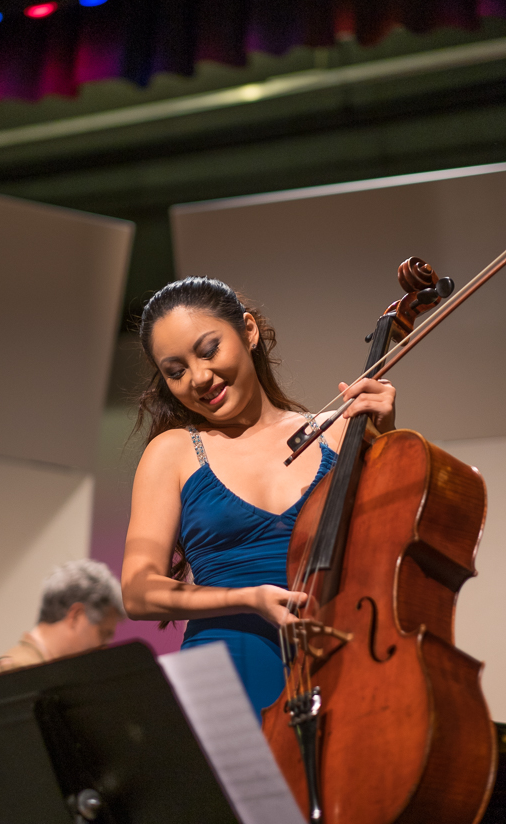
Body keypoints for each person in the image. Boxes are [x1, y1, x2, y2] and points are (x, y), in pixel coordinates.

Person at [121, 277, 395, 719]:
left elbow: (389, 548)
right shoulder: (172, 453)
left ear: (248, 331)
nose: (200, 377)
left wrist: (388, 436)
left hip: (337, 663)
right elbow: (138, 592)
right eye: (176, 371)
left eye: (209, 350)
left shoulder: (340, 431)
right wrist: (246, 598)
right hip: (225, 677)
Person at [0, 559, 126, 678]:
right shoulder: (16, 673)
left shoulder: (32, 671)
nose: (104, 648)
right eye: (103, 634)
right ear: (76, 616)